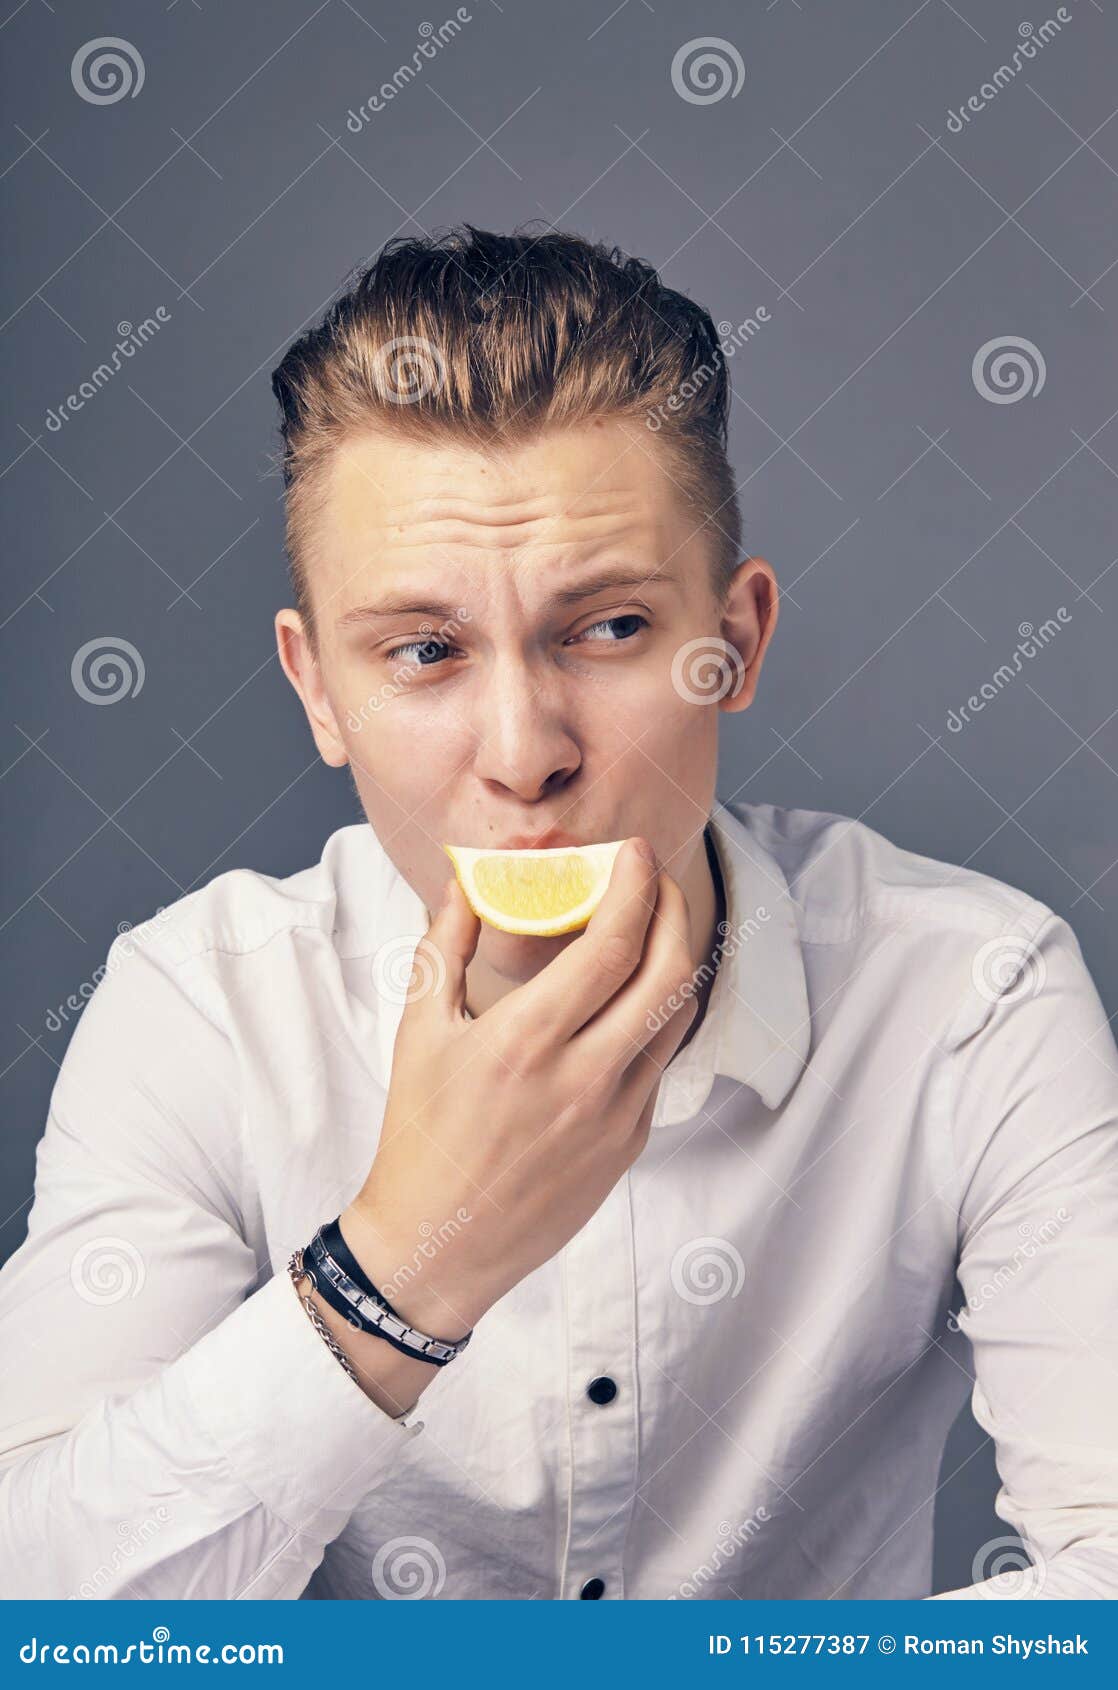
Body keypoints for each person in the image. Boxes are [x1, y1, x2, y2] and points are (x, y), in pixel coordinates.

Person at [1, 225, 1115, 1602]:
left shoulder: (969, 994)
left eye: (606, 631)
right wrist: (402, 1267)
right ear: (318, 691)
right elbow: (39, 1619)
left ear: (738, 642)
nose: (526, 752)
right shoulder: (200, 1005)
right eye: (423, 651)